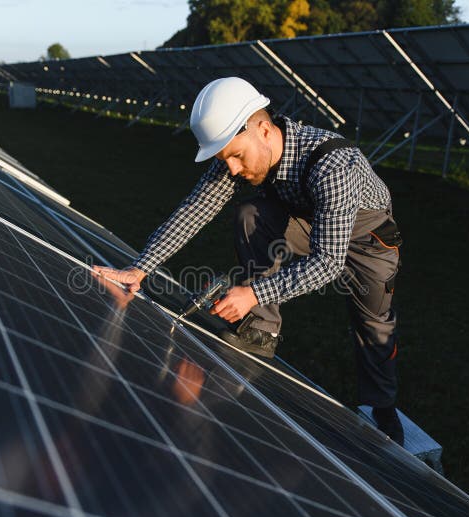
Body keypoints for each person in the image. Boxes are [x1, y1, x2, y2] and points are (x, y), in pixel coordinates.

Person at [93, 77, 404, 444]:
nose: (234, 170)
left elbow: (328, 262)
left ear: (263, 129)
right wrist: (141, 267)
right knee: (251, 214)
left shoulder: (333, 165)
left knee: (374, 326)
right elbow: (196, 209)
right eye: (227, 160)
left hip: (369, 240)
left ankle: (382, 405)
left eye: (237, 156)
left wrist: (252, 292)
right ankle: (262, 331)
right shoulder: (240, 154)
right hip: (306, 221)